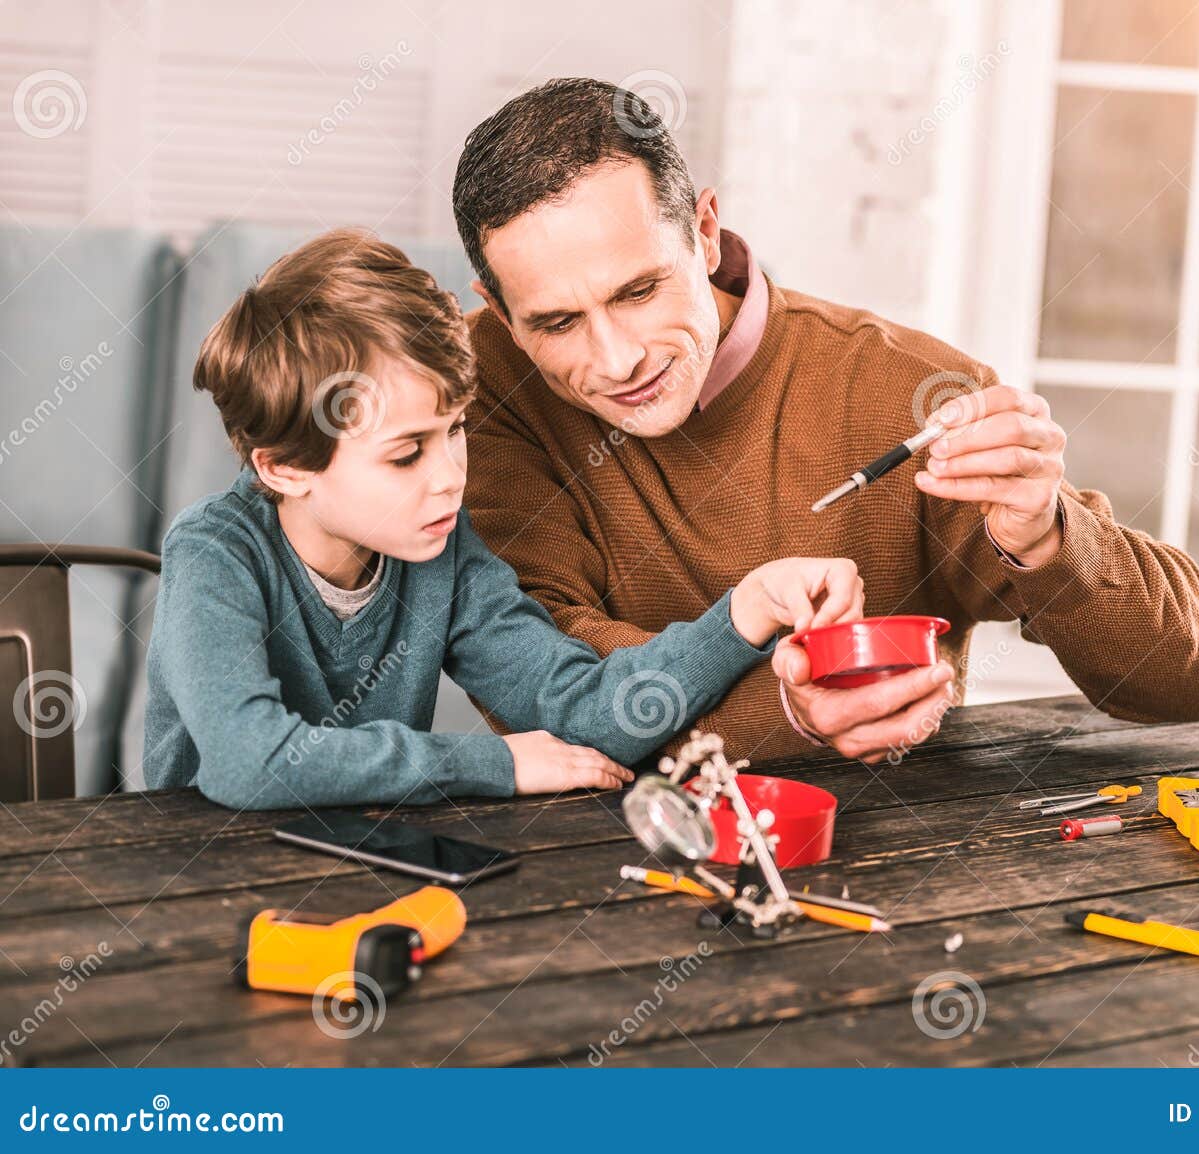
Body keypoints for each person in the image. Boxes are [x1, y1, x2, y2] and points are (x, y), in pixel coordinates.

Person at [453, 78, 1199, 764]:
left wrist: (1053, 539)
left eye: (638, 292)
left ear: (704, 229)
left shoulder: (906, 391)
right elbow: (553, 692)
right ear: (500, 308)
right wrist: (793, 714)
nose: (617, 359)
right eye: (557, 323)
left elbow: (1184, 683)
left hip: (888, 854)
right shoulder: (474, 384)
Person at [142, 229, 862, 810]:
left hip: (366, 858)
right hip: (201, 877)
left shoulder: (441, 551)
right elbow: (248, 764)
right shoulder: (216, 553)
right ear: (283, 469)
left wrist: (743, 613)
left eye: (453, 429)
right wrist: (494, 763)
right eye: (405, 456)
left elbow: (578, 709)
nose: (450, 477)